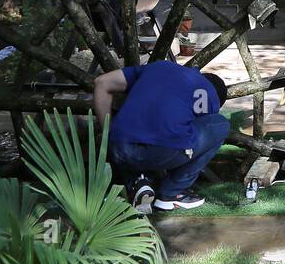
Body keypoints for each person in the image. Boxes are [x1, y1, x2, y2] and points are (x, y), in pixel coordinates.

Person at [93, 60, 230, 213]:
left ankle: (139, 182)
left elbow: (102, 82)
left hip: (119, 148)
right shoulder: (207, 91)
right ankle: (172, 193)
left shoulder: (159, 66)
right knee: (220, 124)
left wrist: (108, 132)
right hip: (164, 151)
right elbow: (199, 129)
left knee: (134, 136)